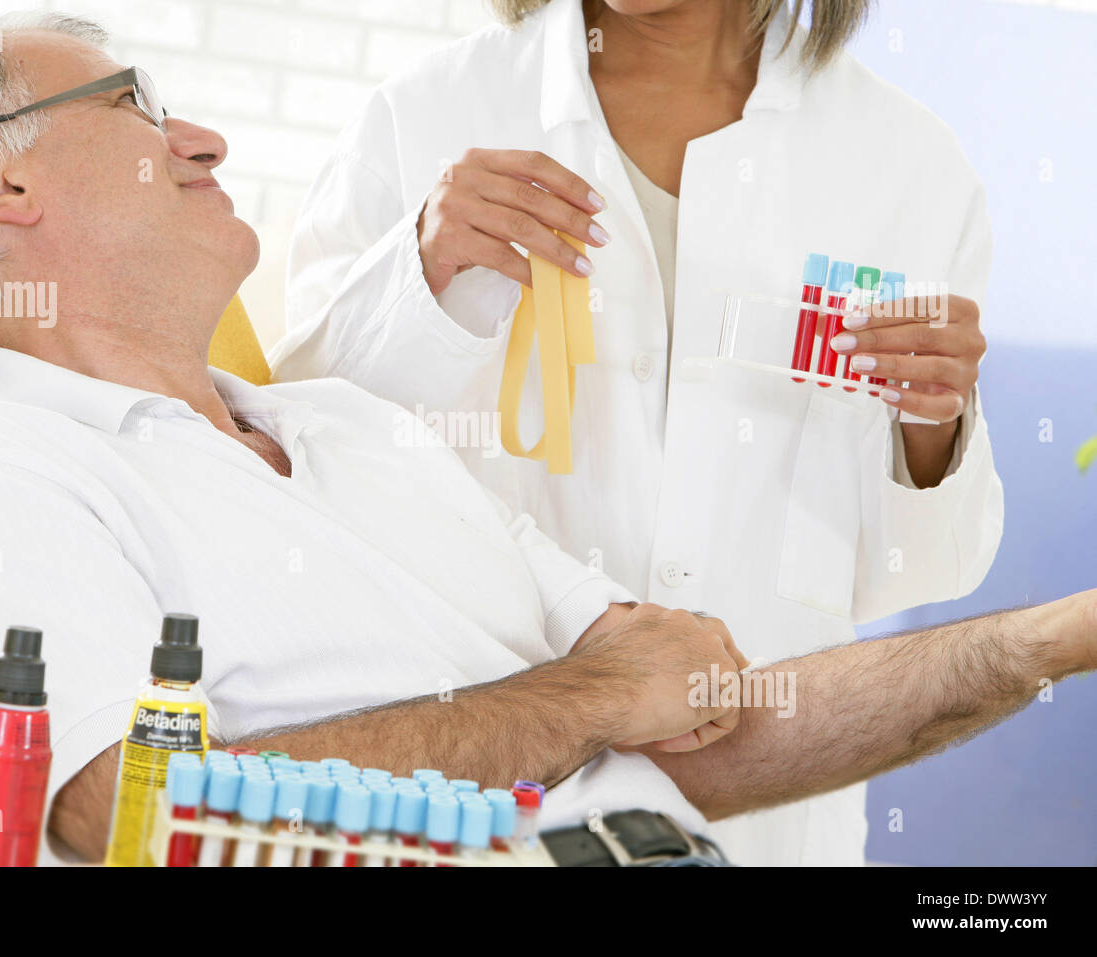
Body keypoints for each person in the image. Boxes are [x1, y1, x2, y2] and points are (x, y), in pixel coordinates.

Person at [0, 16, 1086, 868]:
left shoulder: (349, 437)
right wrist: (594, 696)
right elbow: (124, 816)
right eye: (138, 106)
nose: (204, 137)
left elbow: (694, 706)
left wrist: (1058, 633)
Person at [270, 0, 1004, 864]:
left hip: (762, 810)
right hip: (482, 785)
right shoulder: (423, 114)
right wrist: (420, 270)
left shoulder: (908, 165)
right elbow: (295, 464)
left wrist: (932, 424)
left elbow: (921, 570)